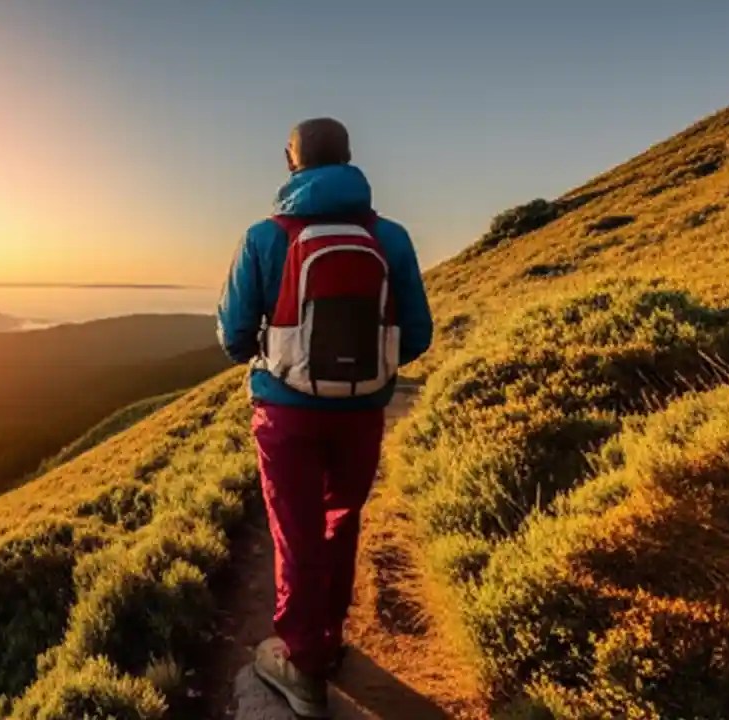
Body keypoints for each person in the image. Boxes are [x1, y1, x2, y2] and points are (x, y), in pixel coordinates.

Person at [216, 118, 432, 718]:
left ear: (292, 166)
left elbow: (233, 336)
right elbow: (417, 333)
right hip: (362, 410)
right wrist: (365, 374)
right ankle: (327, 636)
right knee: (341, 518)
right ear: (349, 161)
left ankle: (302, 664)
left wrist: (277, 359)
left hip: (285, 411)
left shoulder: (264, 238)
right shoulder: (392, 238)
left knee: (296, 528)